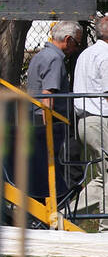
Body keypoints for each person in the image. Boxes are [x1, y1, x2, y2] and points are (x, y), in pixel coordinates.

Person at [24, 20, 81, 202]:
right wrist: (49, 128)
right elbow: (48, 94)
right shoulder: (54, 59)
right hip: (50, 121)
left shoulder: (41, 55)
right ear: (68, 39)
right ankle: (64, 207)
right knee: (66, 168)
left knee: (44, 169)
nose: (76, 48)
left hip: (36, 119)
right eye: (77, 43)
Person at [71, 15, 108, 211]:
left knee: (104, 176)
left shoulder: (86, 53)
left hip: (85, 120)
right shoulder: (106, 55)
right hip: (100, 119)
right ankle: (106, 227)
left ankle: (63, 217)